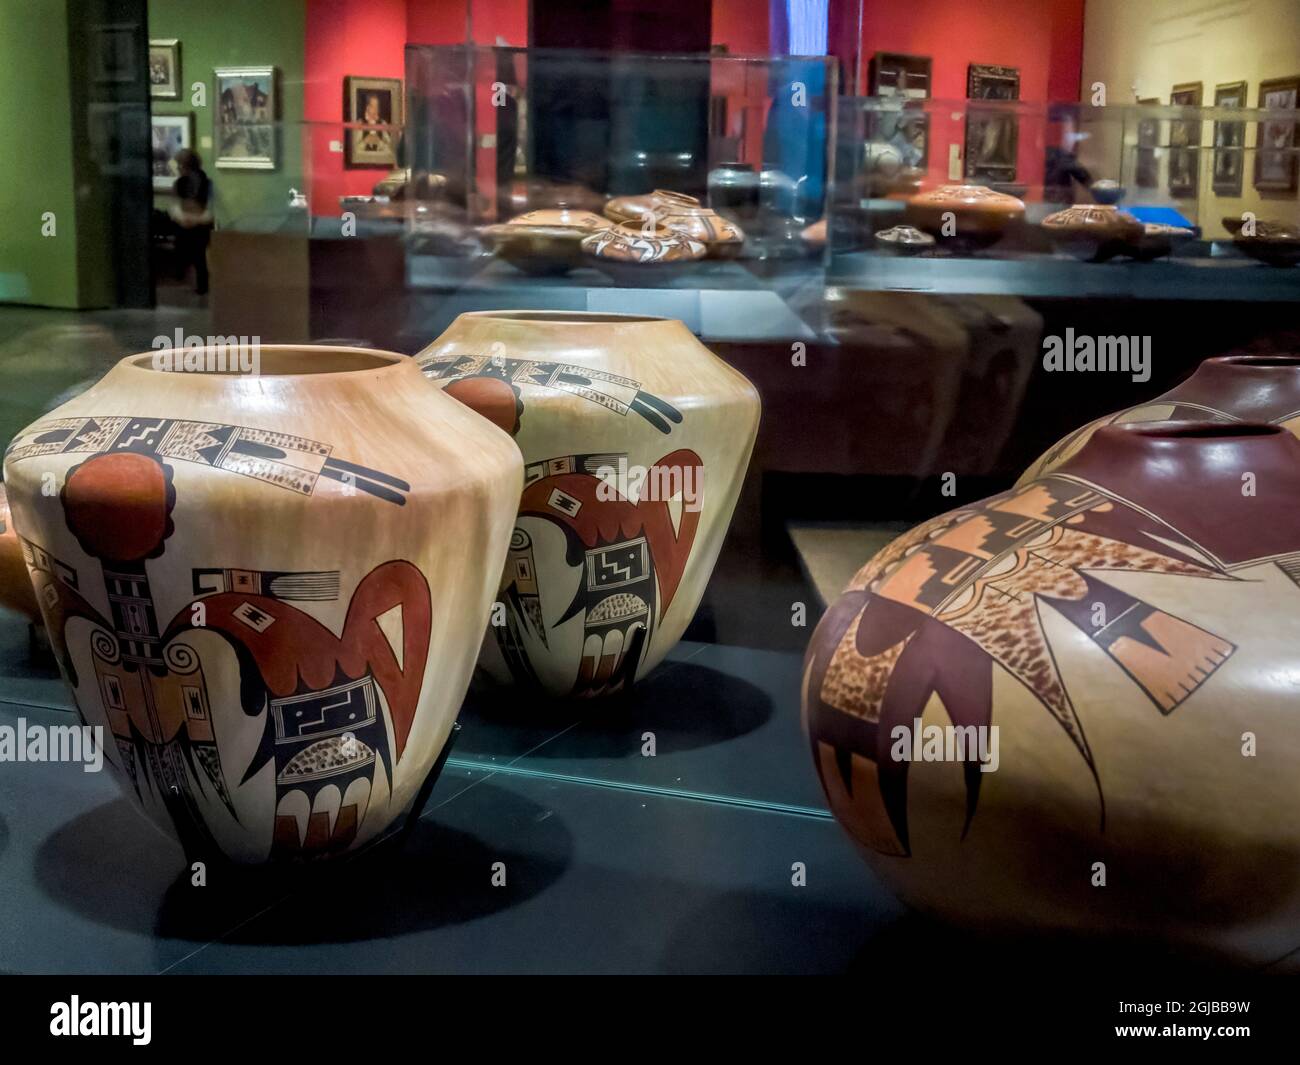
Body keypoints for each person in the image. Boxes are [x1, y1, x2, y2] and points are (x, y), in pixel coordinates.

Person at [171, 149, 213, 295]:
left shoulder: (199, 183)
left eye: (180, 165)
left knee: (197, 257)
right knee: (197, 257)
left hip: (195, 224)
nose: (178, 168)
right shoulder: (203, 182)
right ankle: (198, 284)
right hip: (195, 223)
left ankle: (198, 284)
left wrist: (187, 218)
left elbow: (210, 208)